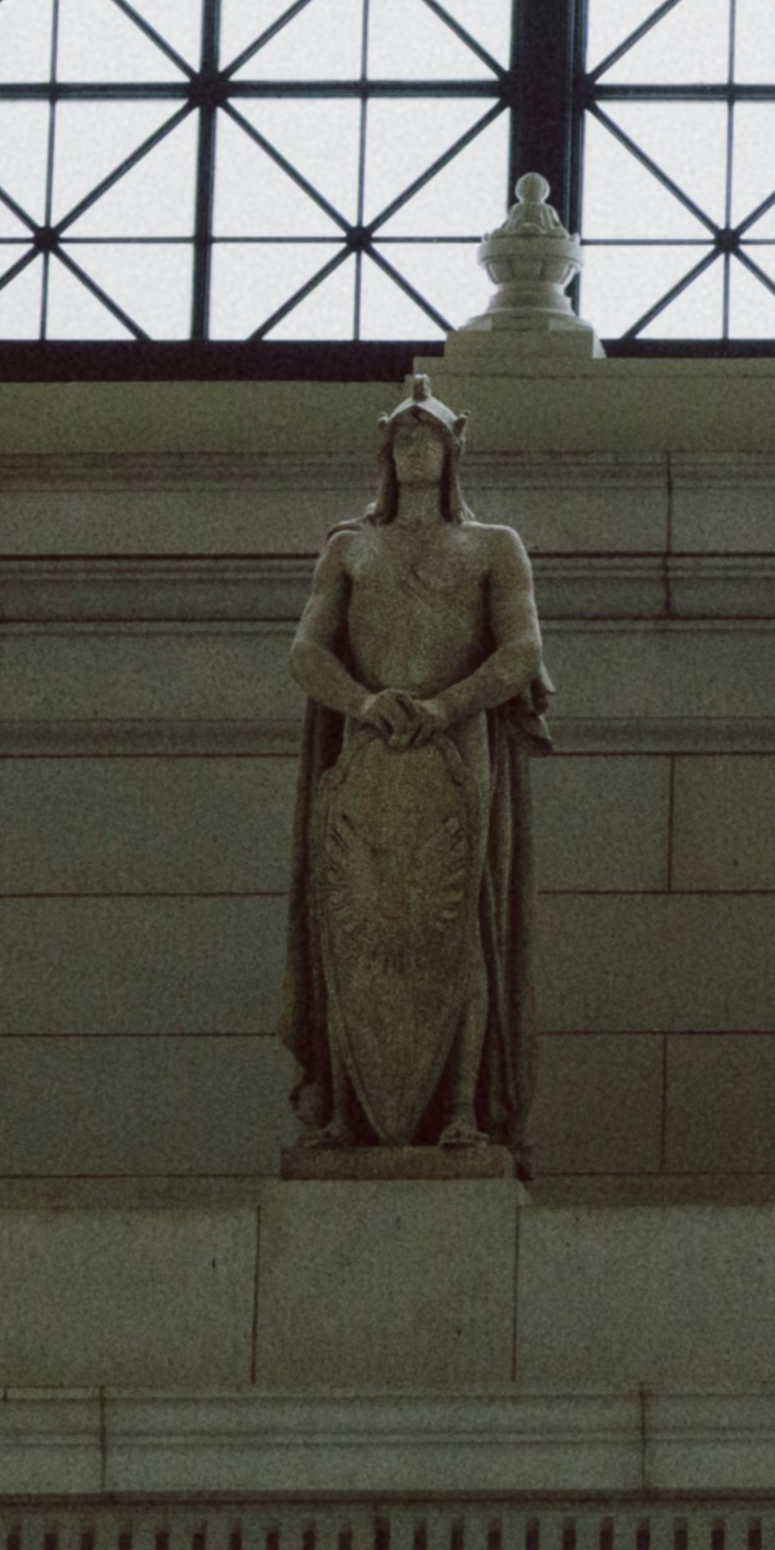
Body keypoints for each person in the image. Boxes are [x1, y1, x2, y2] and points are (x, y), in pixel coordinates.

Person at [286, 374, 546, 1161]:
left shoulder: (491, 546)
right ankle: (345, 1112)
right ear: (385, 452)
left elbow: (522, 649)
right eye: (401, 437)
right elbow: (306, 650)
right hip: (370, 752)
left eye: (427, 436)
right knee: (351, 926)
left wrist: (447, 705)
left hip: (454, 752)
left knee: (456, 927)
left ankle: (462, 1109)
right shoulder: (351, 547)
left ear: (452, 447)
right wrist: (364, 704)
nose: (413, 449)